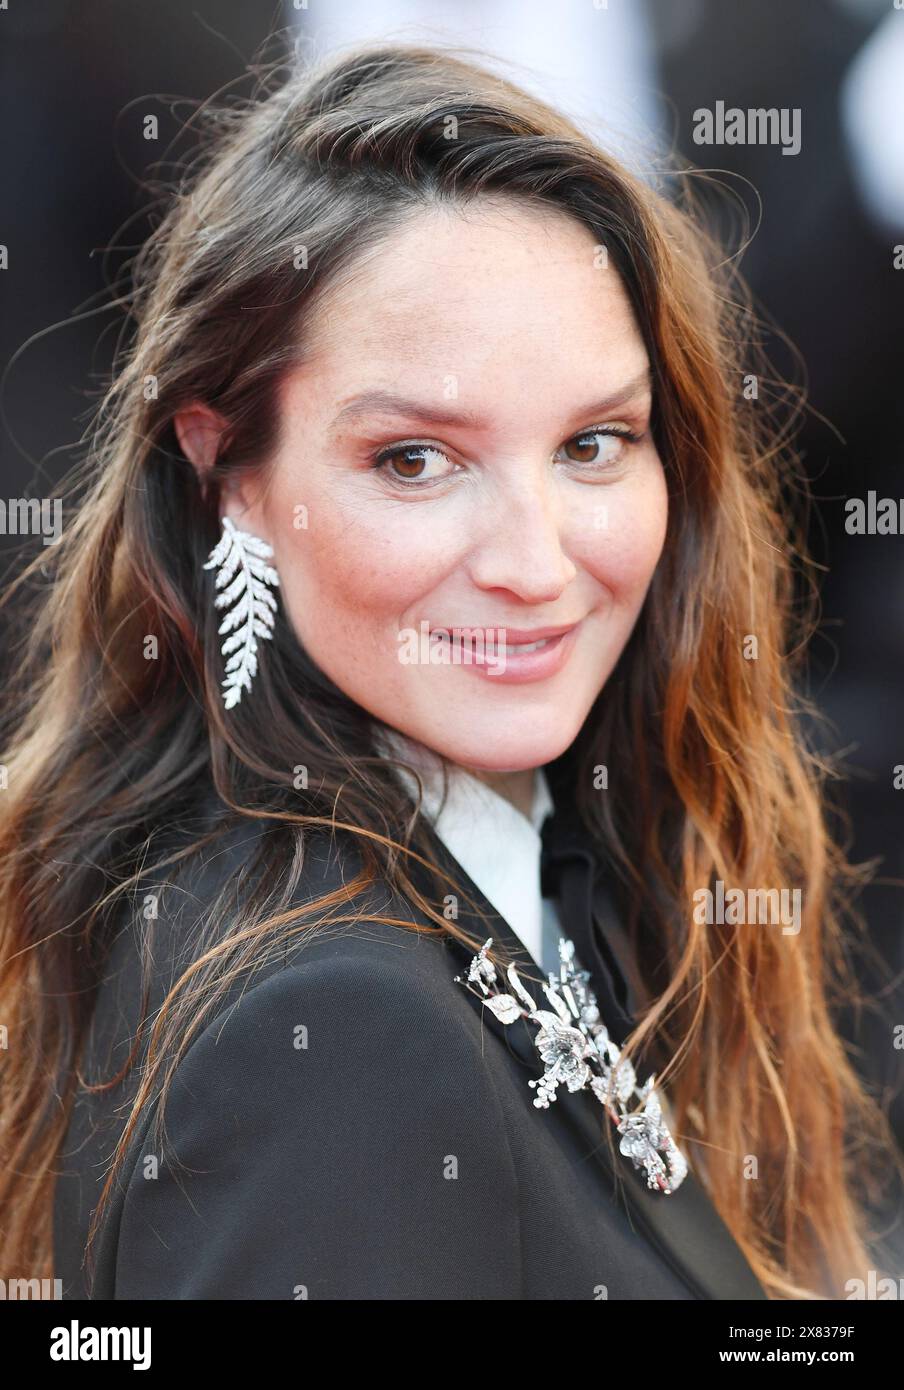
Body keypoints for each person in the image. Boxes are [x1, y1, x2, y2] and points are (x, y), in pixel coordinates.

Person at [1, 40, 900, 1302]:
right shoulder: (335, 1035)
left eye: (593, 444)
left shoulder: (548, 863)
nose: (536, 564)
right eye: (415, 460)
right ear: (230, 481)